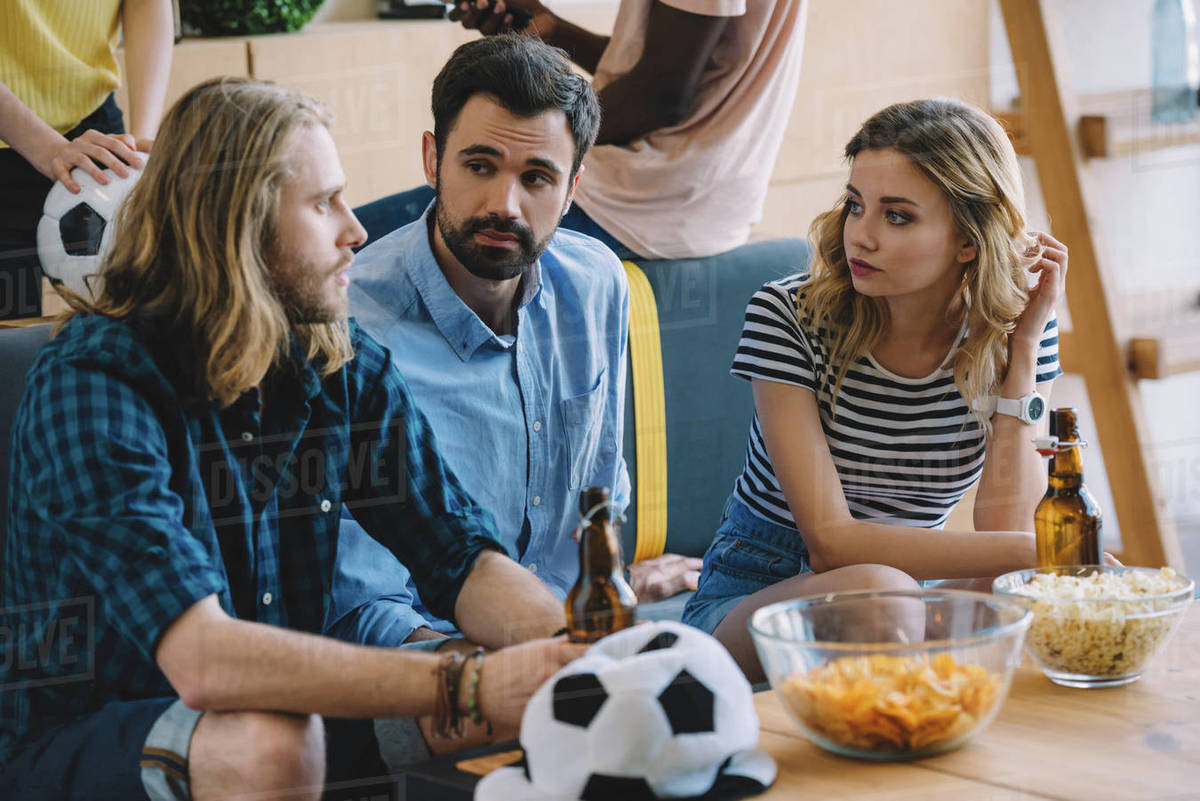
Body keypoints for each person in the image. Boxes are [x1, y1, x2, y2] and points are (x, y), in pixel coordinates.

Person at [0, 77, 581, 801]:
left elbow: (459, 557)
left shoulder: (339, 362)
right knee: (271, 745)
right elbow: (205, 661)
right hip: (85, 745)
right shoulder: (94, 381)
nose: (355, 230)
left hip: (276, 709)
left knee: (514, 704)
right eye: (324, 203)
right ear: (238, 224)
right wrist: (464, 681)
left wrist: (584, 654)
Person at [327, 35, 701, 652]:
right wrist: (498, 675)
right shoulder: (349, 322)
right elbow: (361, 606)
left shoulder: (595, 283)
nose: (505, 205)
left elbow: (600, 495)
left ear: (572, 188)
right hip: (431, 660)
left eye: (536, 178)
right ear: (432, 160)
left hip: (566, 635)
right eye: (479, 166)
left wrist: (610, 595)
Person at [681, 98, 1067, 680]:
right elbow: (831, 545)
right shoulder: (788, 316)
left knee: (1011, 585)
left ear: (969, 240)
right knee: (885, 593)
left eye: (897, 217)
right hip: (759, 597)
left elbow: (1006, 535)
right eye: (856, 206)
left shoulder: (1016, 330)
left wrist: (1025, 348)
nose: (860, 237)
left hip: (903, 600)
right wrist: (1051, 549)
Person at [431, 0, 808, 260]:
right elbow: (669, 60)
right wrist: (549, 29)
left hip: (637, 199)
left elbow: (660, 94)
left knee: (393, 239)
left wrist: (541, 150)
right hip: (702, 200)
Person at [0, 0, 173, 320]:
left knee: (131, 324)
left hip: (98, 133)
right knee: (9, 330)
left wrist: (140, 146)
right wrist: (47, 148)